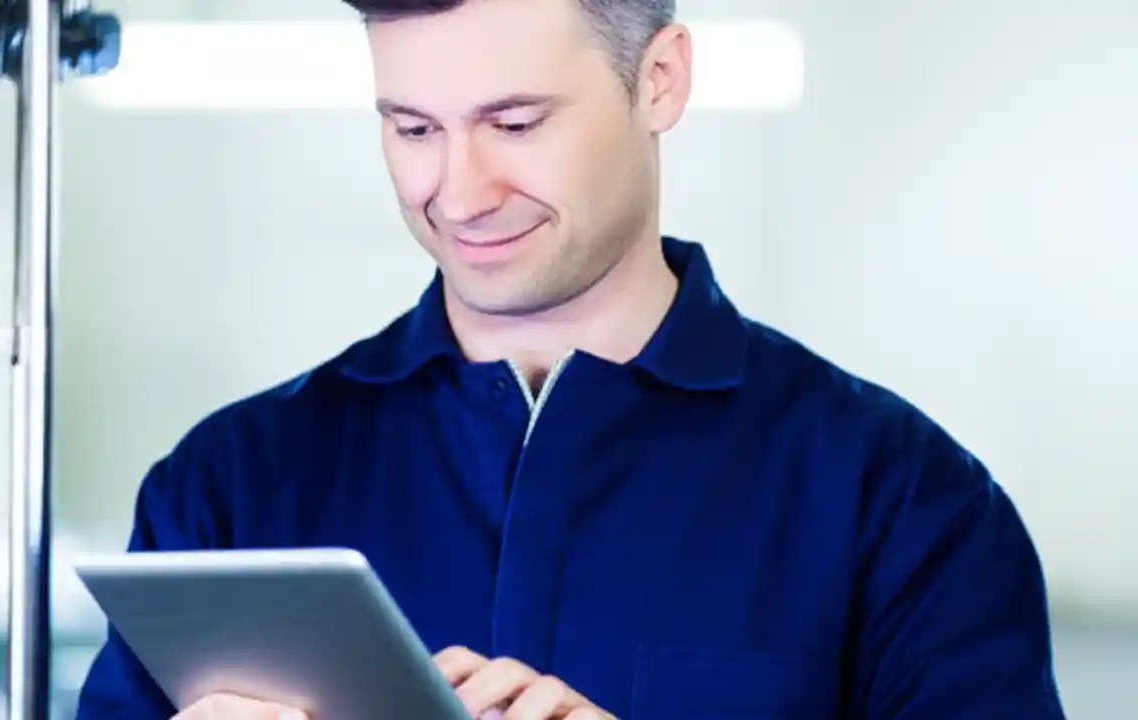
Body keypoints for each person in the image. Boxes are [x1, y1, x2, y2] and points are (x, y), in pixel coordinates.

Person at [77, 0, 1067, 718]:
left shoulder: (901, 502)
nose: (458, 193)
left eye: (515, 124)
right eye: (413, 129)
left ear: (659, 80)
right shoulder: (234, 484)